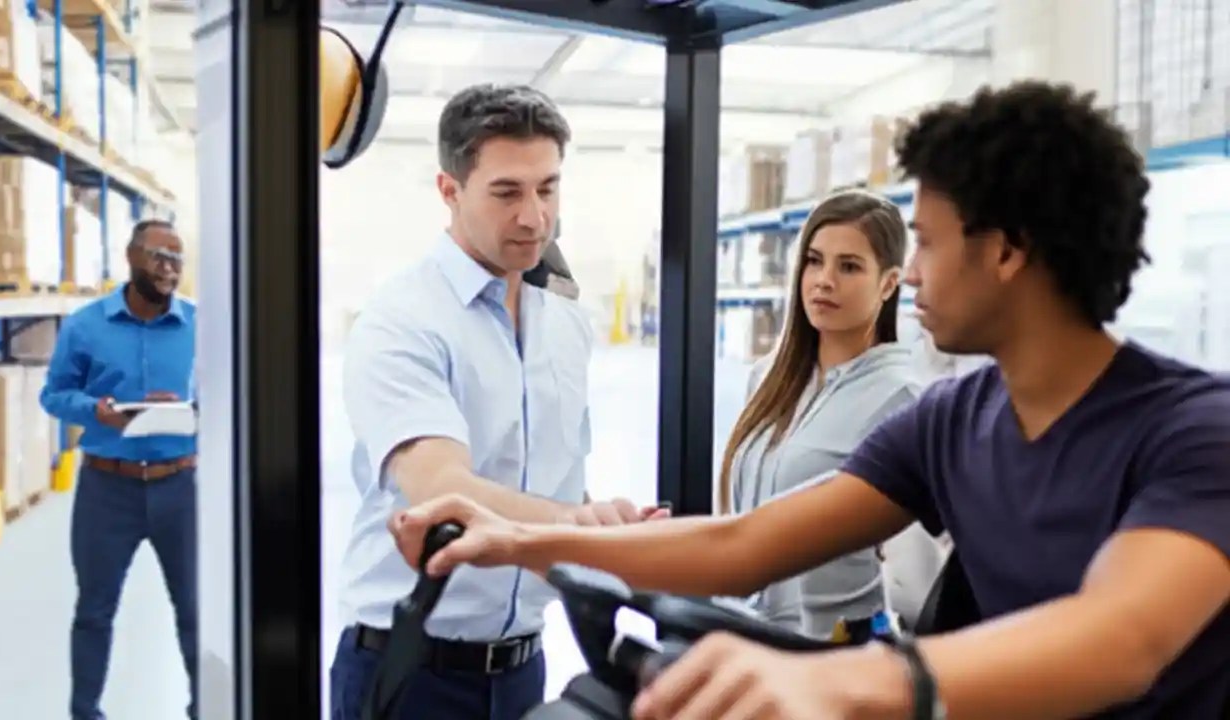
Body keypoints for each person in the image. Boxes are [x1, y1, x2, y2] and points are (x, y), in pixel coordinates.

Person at [390, 80, 1230, 720]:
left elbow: (1124, 638)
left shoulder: (1196, 432)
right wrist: (520, 541)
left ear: (1007, 254)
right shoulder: (952, 420)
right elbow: (745, 545)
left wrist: (855, 677)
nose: (916, 275)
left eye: (928, 244)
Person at [330, 83, 666, 720]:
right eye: (507, 192)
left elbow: (556, 489)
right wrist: (574, 528)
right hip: (411, 673)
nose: (535, 217)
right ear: (449, 191)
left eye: (548, 188)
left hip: (521, 668)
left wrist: (605, 521)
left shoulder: (565, 324)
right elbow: (441, 488)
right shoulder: (402, 320)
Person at [719, 190, 939, 638]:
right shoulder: (766, 378)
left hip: (834, 650)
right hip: (748, 636)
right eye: (814, 261)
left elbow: (916, 575)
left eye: (849, 266)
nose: (823, 280)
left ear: (889, 283)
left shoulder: (902, 396)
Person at [40, 219, 197, 720]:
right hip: (107, 489)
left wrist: (194, 408)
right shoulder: (85, 325)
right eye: (159, 256)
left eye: (177, 258)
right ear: (132, 257)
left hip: (181, 488)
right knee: (93, 612)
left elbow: (233, 397)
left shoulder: (202, 325)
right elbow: (54, 394)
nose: (170, 268)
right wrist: (95, 410)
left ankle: (205, 709)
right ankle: (85, 713)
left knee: (195, 612)